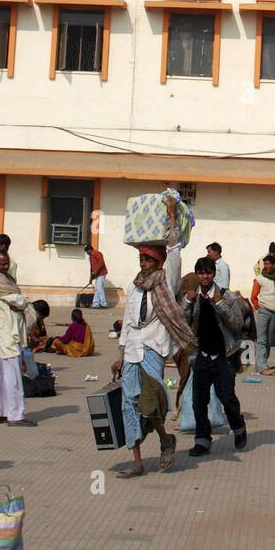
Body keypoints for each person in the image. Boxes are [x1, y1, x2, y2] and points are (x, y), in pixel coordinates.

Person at [111, 198, 197, 478]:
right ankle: (137, 463)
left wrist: (172, 217)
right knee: (129, 405)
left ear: (158, 262)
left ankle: (165, 439)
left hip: (153, 348)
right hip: (133, 348)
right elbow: (128, 323)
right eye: (142, 258)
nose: (145, 263)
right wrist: (119, 355)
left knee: (150, 403)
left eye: (149, 259)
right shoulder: (134, 287)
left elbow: (174, 250)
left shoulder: (166, 281)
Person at [183, 256, 246, 457]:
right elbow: (182, 321)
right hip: (202, 354)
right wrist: (186, 301)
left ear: (213, 274)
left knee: (226, 397)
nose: (204, 276)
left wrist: (220, 304)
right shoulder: (193, 296)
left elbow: (237, 324)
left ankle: (238, 427)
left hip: (224, 355)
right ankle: (202, 439)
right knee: (198, 400)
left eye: (207, 273)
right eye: (200, 273)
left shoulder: (226, 296)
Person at [0, 249, 36, 426]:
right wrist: (22, 301)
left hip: (1, 331)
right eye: (2, 263)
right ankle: (15, 415)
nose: (6, 266)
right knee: (12, 374)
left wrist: (19, 302)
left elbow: (18, 301)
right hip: (6, 332)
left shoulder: (5, 279)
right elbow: (20, 301)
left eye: (7, 263)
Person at [251, 253, 275, 375]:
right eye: (264, 264)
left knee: (269, 340)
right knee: (262, 339)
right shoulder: (260, 279)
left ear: (274, 265)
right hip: (264, 312)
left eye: (267, 264)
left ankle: (263, 363)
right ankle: (261, 367)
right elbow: (253, 296)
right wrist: (259, 308)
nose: (265, 266)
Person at [84, 242, 109, 309]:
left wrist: (95, 272)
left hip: (101, 273)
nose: (86, 253)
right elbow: (91, 268)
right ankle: (95, 304)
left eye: (87, 251)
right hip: (96, 274)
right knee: (97, 289)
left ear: (90, 250)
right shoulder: (90, 257)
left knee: (99, 288)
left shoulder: (97, 253)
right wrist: (91, 278)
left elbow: (101, 263)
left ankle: (103, 304)